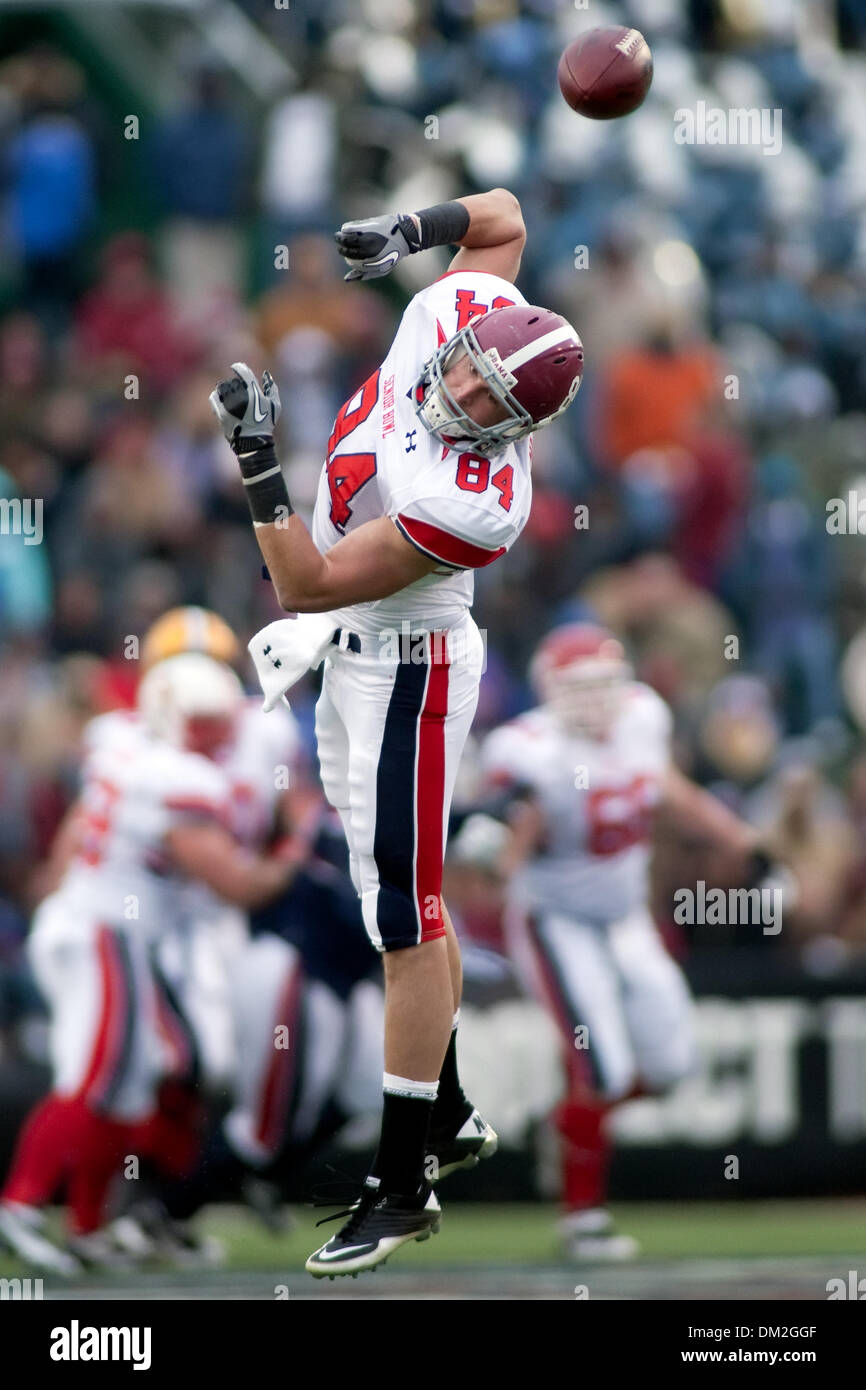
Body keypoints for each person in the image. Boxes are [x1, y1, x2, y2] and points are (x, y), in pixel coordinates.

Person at [209, 188, 584, 1277]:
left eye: (488, 394)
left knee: (404, 913)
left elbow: (306, 579)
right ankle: (451, 1102)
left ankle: (402, 1179)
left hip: (405, 671)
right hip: (350, 659)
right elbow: (503, 217)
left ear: (521, 429)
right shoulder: (451, 310)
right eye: (470, 362)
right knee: (396, 904)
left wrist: (253, 452)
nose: (462, 388)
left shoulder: (480, 499)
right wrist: (408, 231)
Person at [0, 653, 301, 1274]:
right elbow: (236, 886)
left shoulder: (122, 744)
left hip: (109, 926)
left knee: (132, 1084)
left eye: (221, 721)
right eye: (203, 722)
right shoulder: (176, 777)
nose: (219, 735)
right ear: (172, 717)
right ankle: (21, 1207)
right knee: (96, 1076)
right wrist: (296, 846)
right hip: (104, 930)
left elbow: (85, 819)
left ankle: (86, 1226)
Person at [480, 623, 770, 1260]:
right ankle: (583, 1219)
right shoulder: (530, 750)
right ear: (548, 691)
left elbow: (668, 789)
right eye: (579, 688)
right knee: (602, 1066)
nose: (597, 700)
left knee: (671, 1065)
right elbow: (509, 844)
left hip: (625, 916)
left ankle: (568, 1126)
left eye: (606, 684)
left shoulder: (644, 718)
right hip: (555, 920)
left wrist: (740, 840)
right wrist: (495, 850)